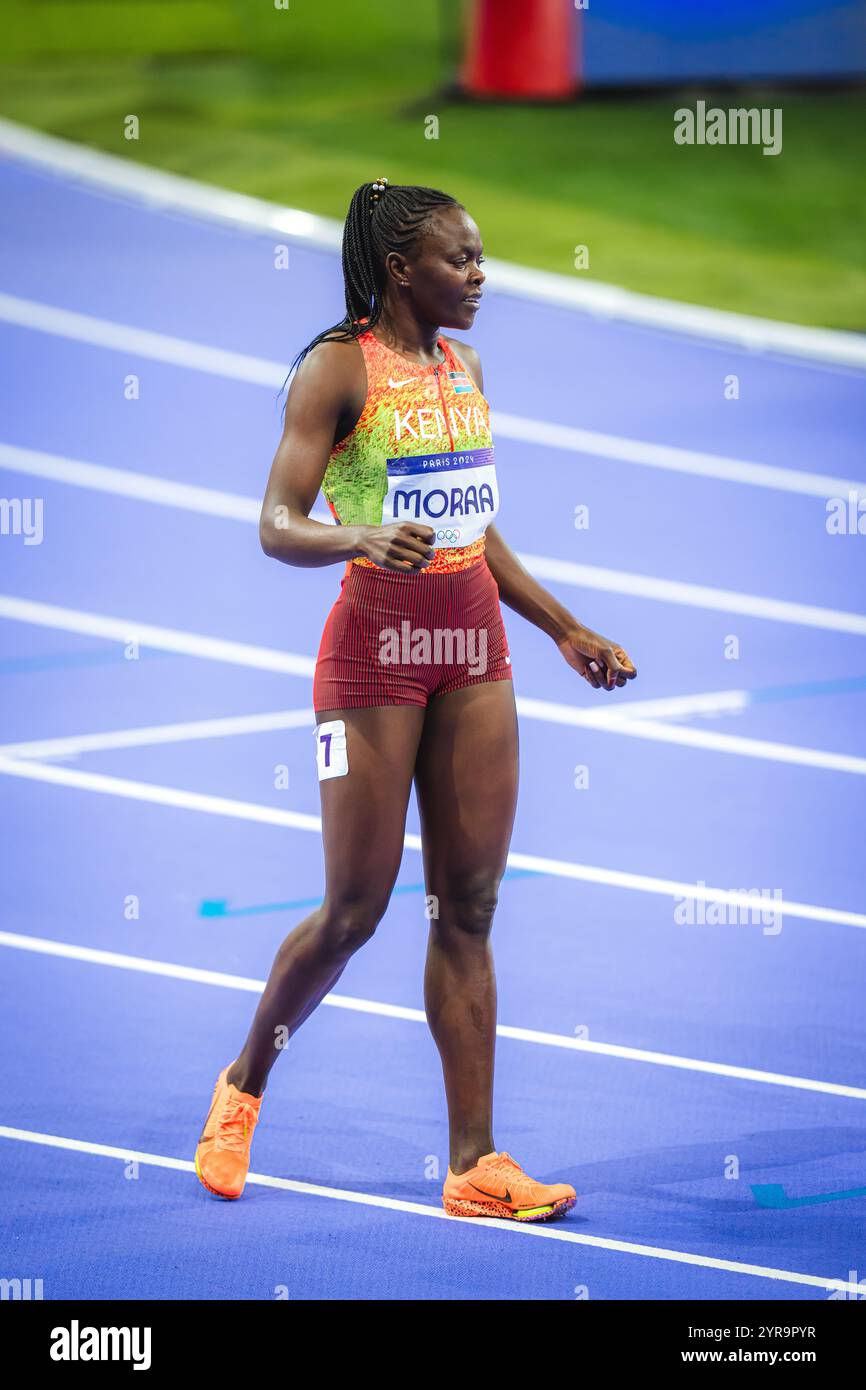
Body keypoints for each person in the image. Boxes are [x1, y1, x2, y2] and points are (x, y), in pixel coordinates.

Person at [195, 178, 637, 1221]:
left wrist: (563, 626)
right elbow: (274, 520)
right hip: (374, 656)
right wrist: (356, 535)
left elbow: (474, 532)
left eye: (481, 259)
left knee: (468, 906)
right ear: (401, 270)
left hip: (471, 646)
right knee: (353, 909)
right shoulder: (335, 369)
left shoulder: (466, 366)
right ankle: (242, 1087)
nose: (479, 277)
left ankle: (474, 1165)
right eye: (461, 260)